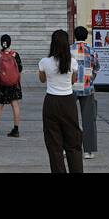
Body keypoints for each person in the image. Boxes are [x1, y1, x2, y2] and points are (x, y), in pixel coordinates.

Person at [38, 29, 82, 173]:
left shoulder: (44, 62)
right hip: (68, 101)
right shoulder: (72, 62)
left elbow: (42, 80)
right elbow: (73, 81)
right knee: (73, 143)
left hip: (51, 101)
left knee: (54, 145)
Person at [71, 25, 100, 158]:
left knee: (69, 118)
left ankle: (68, 148)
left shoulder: (69, 50)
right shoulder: (92, 51)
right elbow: (96, 69)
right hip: (88, 87)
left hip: (71, 87)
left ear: (75, 35)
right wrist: (91, 79)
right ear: (86, 36)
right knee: (88, 119)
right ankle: (88, 151)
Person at [0, 34, 23, 138]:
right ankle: (16, 129)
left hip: (1, 84)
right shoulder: (15, 55)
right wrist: (17, 82)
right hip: (13, 84)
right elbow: (19, 70)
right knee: (15, 105)